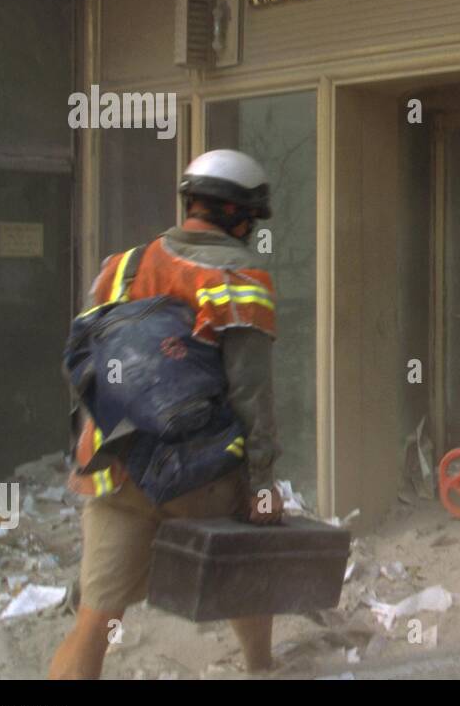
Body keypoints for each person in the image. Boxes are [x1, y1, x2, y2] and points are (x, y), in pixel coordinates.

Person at [48, 149, 284, 679]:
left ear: (192, 203)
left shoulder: (121, 267)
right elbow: (251, 394)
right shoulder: (242, 278)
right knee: (248, 569)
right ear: (241, 217)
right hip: (196, 474)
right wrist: (262, 485)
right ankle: (261, 667)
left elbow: (90, 362)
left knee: (96, 622)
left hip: (114, 466)